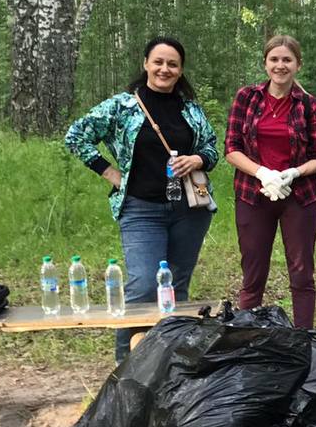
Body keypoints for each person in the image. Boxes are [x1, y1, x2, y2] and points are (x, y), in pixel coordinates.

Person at [64, 37, 219, 361]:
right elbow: (76, 136)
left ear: (180, 70)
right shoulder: (122, 106)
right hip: (140, 209)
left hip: (189, 208)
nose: (165, 69)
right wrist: (111, 173)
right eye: (159, 62)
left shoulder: (189, 108)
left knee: (177, 286)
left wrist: (197, 160)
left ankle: (170, 363)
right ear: (146, 63)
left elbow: (211, 147)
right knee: (144, 286)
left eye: (172, 64)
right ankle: (128, 366)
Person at [225, 35, 316, 327]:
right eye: (274, 59)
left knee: (301, 272)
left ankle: (303, 338)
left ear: (297, 65)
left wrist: (293, 172)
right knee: (253, 273)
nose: (280, 66)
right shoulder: (246, 97)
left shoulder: (309, 105)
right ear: (265, 63)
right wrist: (261, 172)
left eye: (287, 60)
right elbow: (231, 148)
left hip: (298, 198)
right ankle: (247, 337)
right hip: (253, 196)